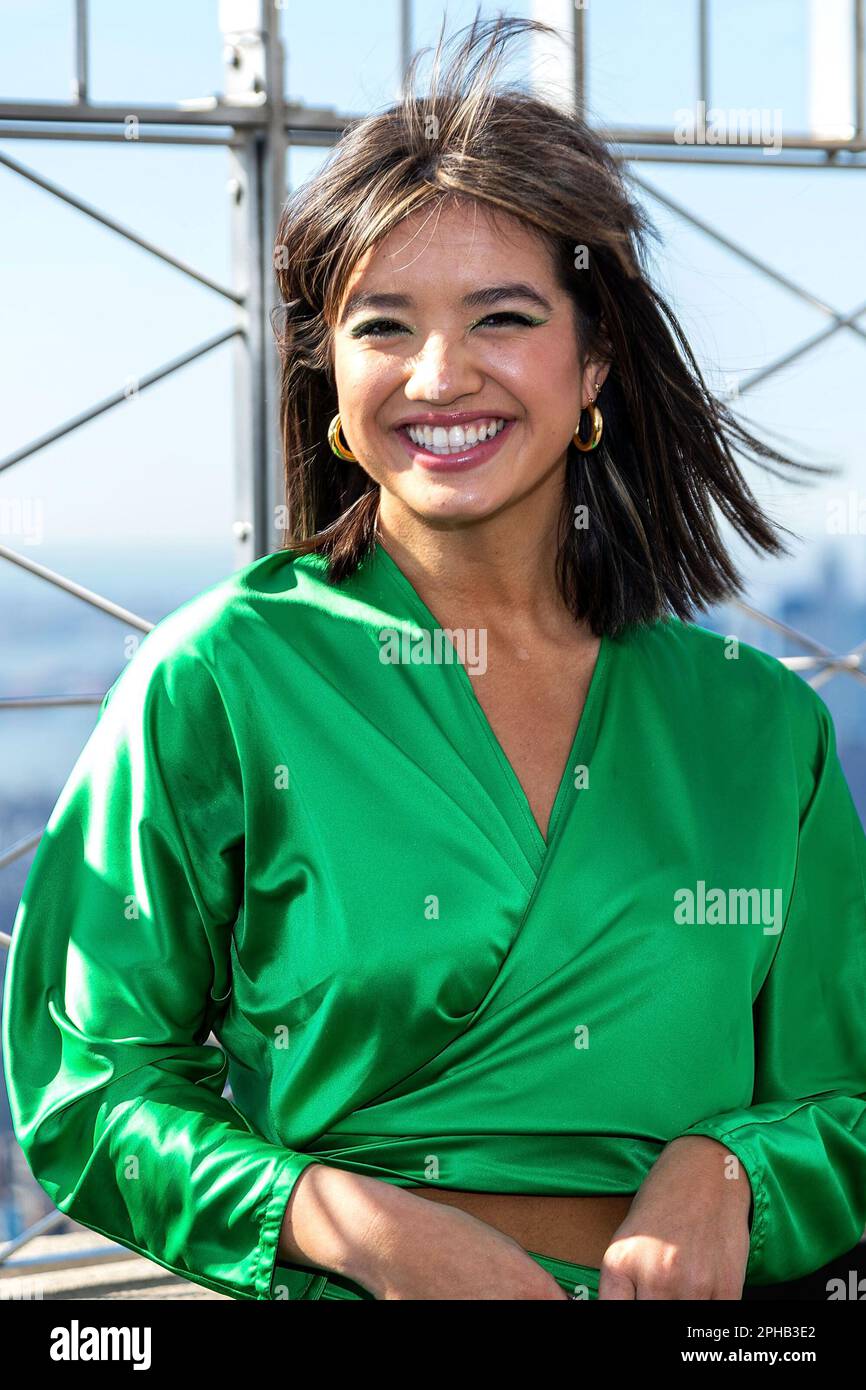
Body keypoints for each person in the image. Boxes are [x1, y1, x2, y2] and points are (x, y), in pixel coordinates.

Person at [3, 14, 865, 1302]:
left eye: (504, 316)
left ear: (597, 367)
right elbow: (89, 1082)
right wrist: (346, 1222)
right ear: (332, 385)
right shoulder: (224, 678)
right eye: (383, 326)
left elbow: (845, 1104)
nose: (439, 375)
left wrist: (727, 1169)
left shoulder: (759, 725)